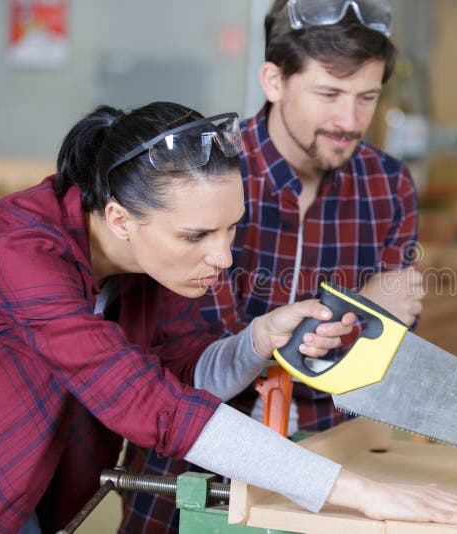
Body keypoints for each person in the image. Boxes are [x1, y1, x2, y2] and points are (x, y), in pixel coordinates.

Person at [0, 101, 457, 533]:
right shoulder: (17, 248)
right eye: (197, 236)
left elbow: (184, 374)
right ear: (120, 218)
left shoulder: (149, 259)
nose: (223, 257)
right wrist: (357, 491)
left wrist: (258, 339)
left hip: (33, 490)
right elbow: (148, 403)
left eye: (230, 227)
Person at [121, 1, 429, 531]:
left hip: (332, 461)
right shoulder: (207, 176)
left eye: (367, 98)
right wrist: (366, 312)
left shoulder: (390, 185)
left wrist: (368, 329)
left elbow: (385, 358)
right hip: (198, 468)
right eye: (329, 94)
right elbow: (199, 367)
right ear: (274, 81)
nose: (349, 121)